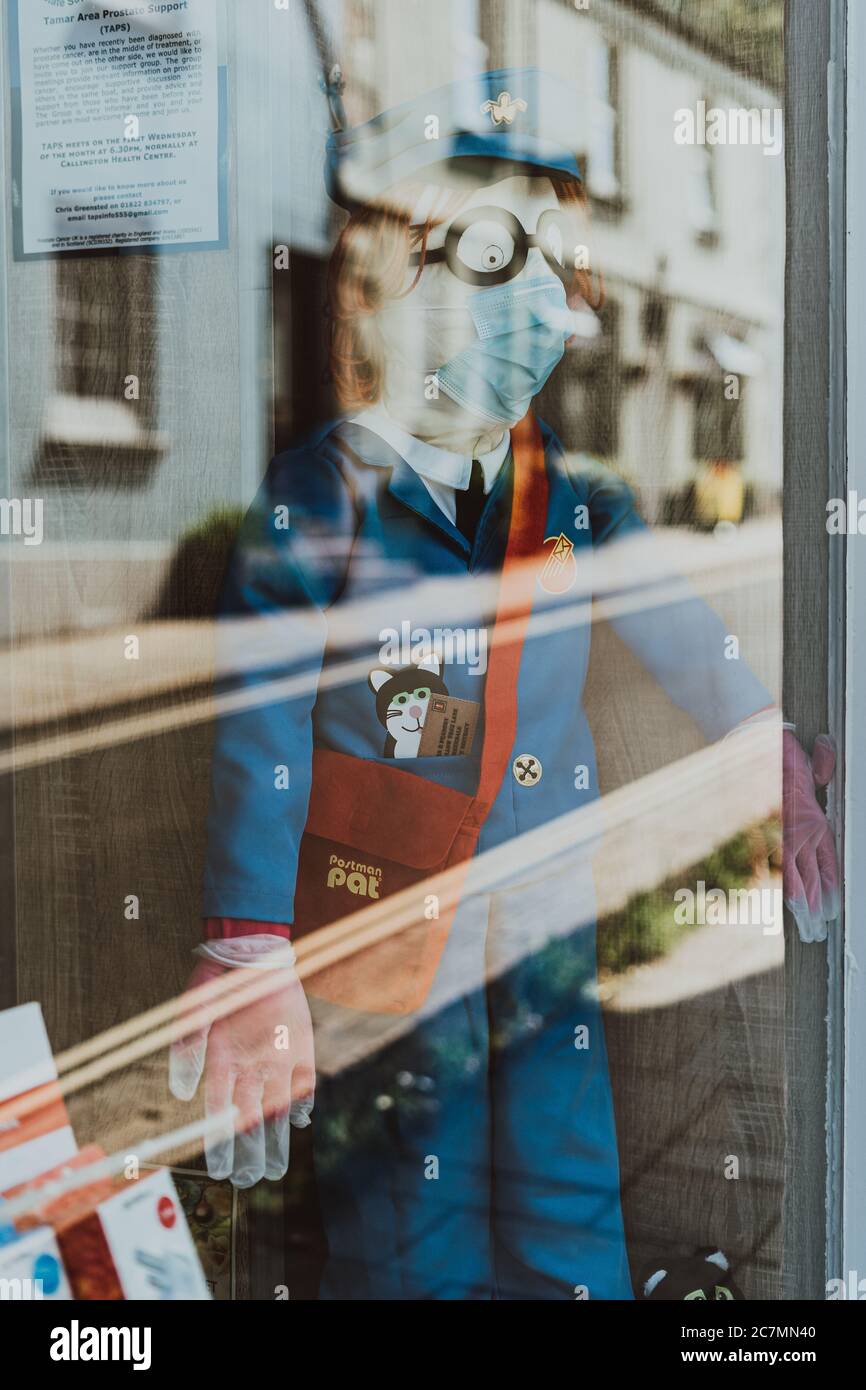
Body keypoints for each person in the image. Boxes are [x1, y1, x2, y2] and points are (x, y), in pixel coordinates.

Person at [169, 68, 838, 1300]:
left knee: (562, 1181)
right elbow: (258, 716)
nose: (538, 295)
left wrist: (771, 756)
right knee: (403, 1215)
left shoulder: (578, 499)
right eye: (496, 252)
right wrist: (249, 939)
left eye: (555, 261)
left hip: (540, 921)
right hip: (382, 928)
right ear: (400, 289)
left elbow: (690, 643)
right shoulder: (328, 493)